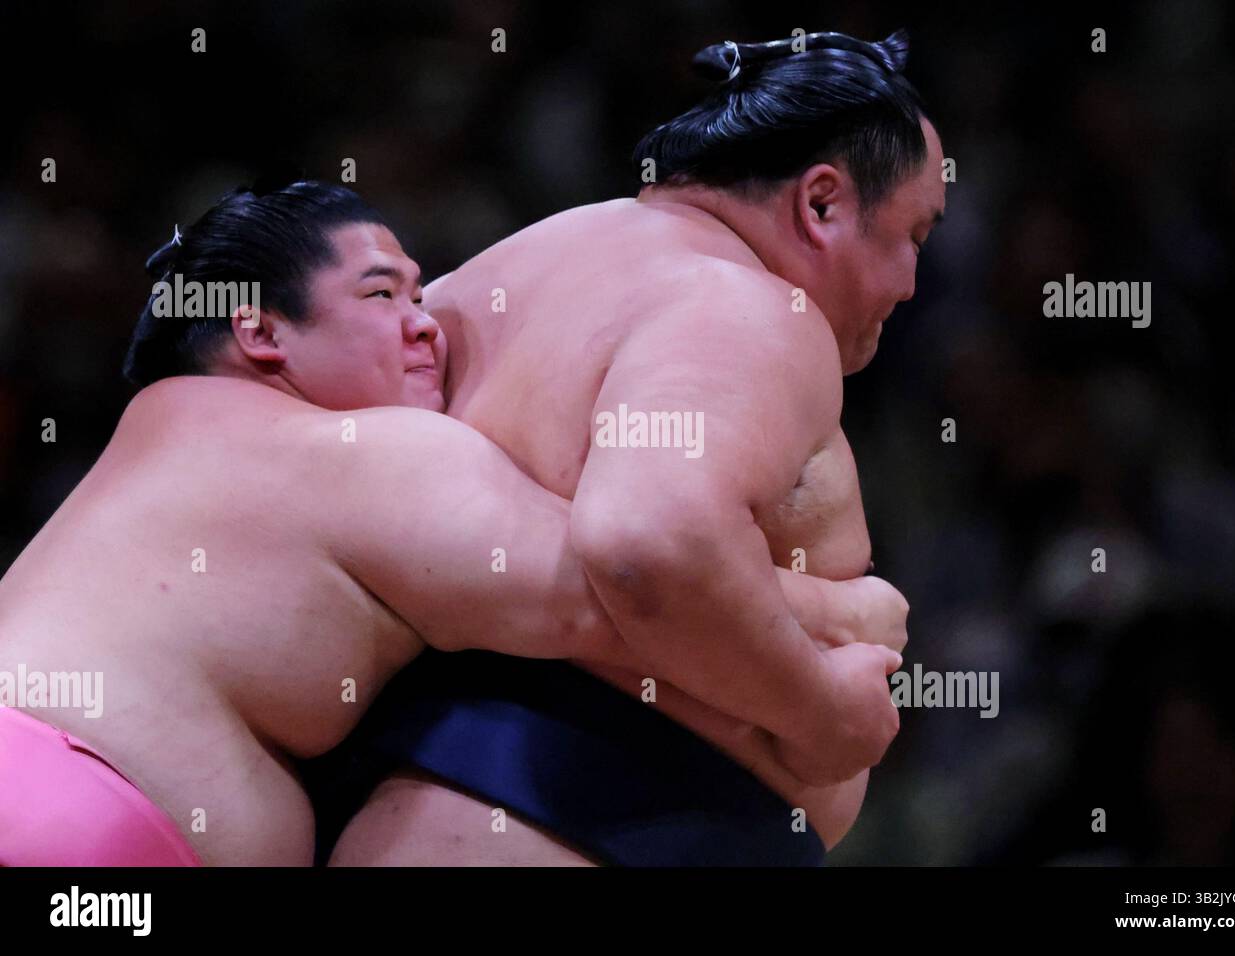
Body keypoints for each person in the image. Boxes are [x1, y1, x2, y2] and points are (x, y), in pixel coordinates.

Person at [0, 179, 897, 866]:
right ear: (264, 334)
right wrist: (847, 623)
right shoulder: (351, 449)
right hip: (78, 838)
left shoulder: (157, 443)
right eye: (383, 296)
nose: (426, 327)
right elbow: (633, 587)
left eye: (423, 297)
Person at [322, 29, 942, 866]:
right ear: (823, 203)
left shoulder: (502, 269)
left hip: (432, 812)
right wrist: (822, 710)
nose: (910, 282)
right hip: (565, 823)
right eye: (914, 236)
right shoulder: (749, 304)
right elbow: (651, 539)